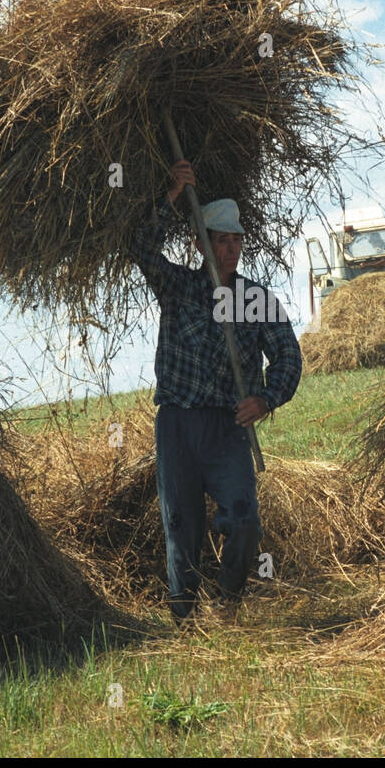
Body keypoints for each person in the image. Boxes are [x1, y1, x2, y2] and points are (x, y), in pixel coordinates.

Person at [128, 159, 302, 624]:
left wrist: (265, 398)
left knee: (244, 521)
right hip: (179, 424)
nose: (231, 248)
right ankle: (184, 616)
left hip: (228, 428)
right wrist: (172, 193)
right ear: (201, 244)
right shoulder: (178, 286)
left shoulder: (254, 298)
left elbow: (288, 354)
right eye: (221, 239)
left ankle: (228, 599)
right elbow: (140, 246)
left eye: (236, 239)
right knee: (180, 525)